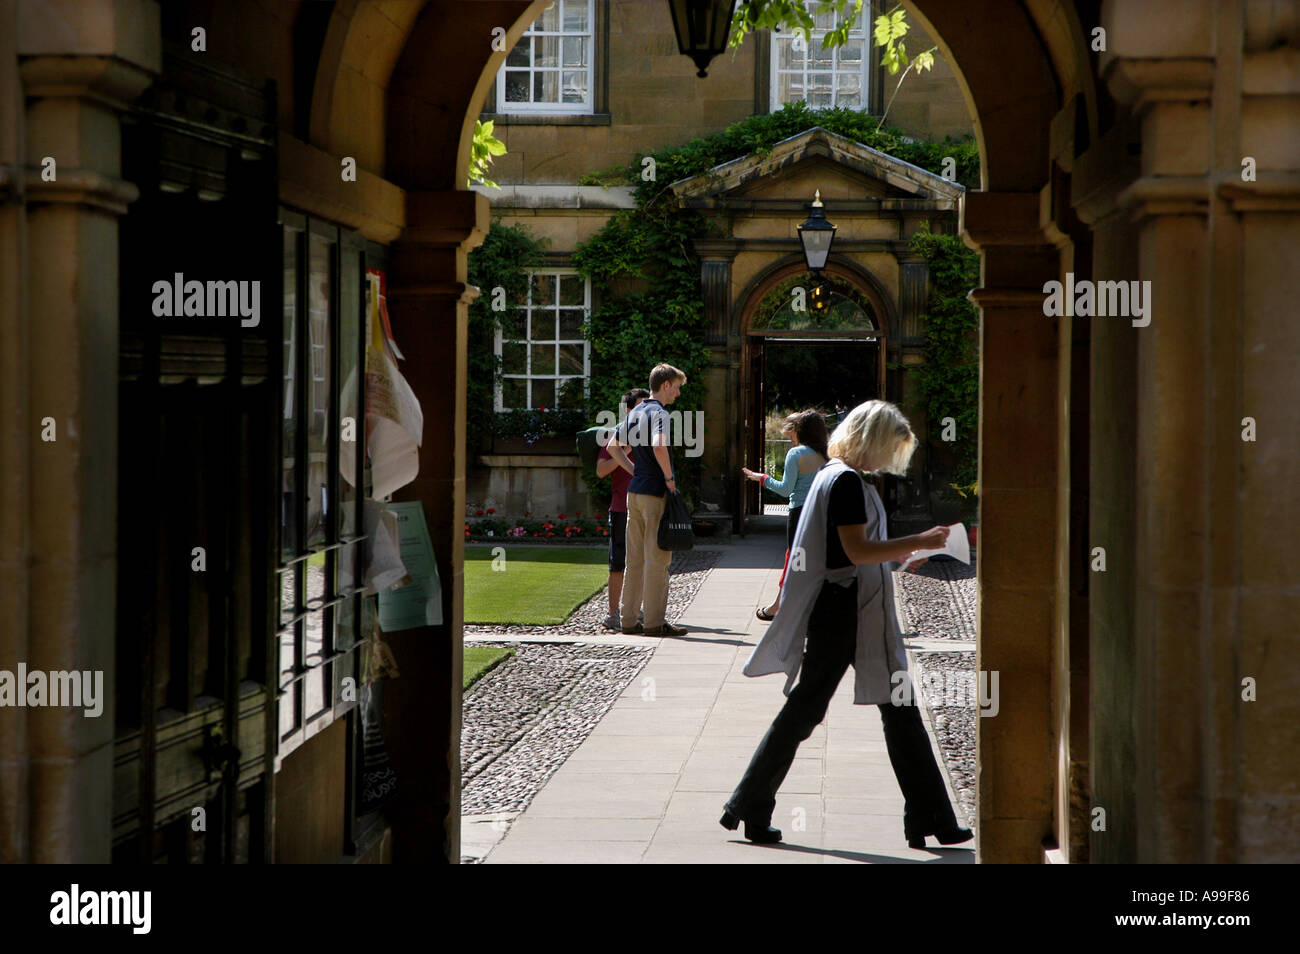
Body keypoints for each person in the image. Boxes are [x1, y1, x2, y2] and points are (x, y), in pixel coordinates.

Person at [720, 399, 972, 850]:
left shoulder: (835, 477)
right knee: (873, 707)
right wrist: (920, 540)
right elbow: (855, 552)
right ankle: (927, 816)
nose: (891, 459)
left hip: (846, 605)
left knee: (835, 708)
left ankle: (752, 804)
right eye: (891, 447)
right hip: (848, 608)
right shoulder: (847, 483)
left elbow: (848, 551)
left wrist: (900, 555)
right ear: (873, 440)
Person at [604, 363, 688, 637]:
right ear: (665, 385)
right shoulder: (660, 413)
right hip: (654, 493)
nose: (677, 393)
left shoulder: (637, 410)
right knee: (658, 560)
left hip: (634, 494)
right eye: (676, 387)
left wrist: (632, 469)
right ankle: (653, 623)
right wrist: (670, 480)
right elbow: (660, 445)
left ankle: (628, 621)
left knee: (635, 560)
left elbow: (612, 446)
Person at [742, 409, 828, 620]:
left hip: (799, 514)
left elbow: (785, 489)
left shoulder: (796, 454)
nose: (789, 441)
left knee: (797, 561)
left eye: (790, 435)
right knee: (813, 561)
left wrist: (762, 478)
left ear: (800, 430)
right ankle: (789, 606)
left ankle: (789, 608)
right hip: (821, 513)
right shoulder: (826, 453)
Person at [596, 387, 650, 630]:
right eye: (640, 406)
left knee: (643, 561)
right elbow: (600, 471)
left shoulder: (652, 437)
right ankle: (613, 613)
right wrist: (625, 451)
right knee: (618, 562)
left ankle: (635, 610)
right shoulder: (614, 437)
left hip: (646, 506)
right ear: (629, 410)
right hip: (620, 507)